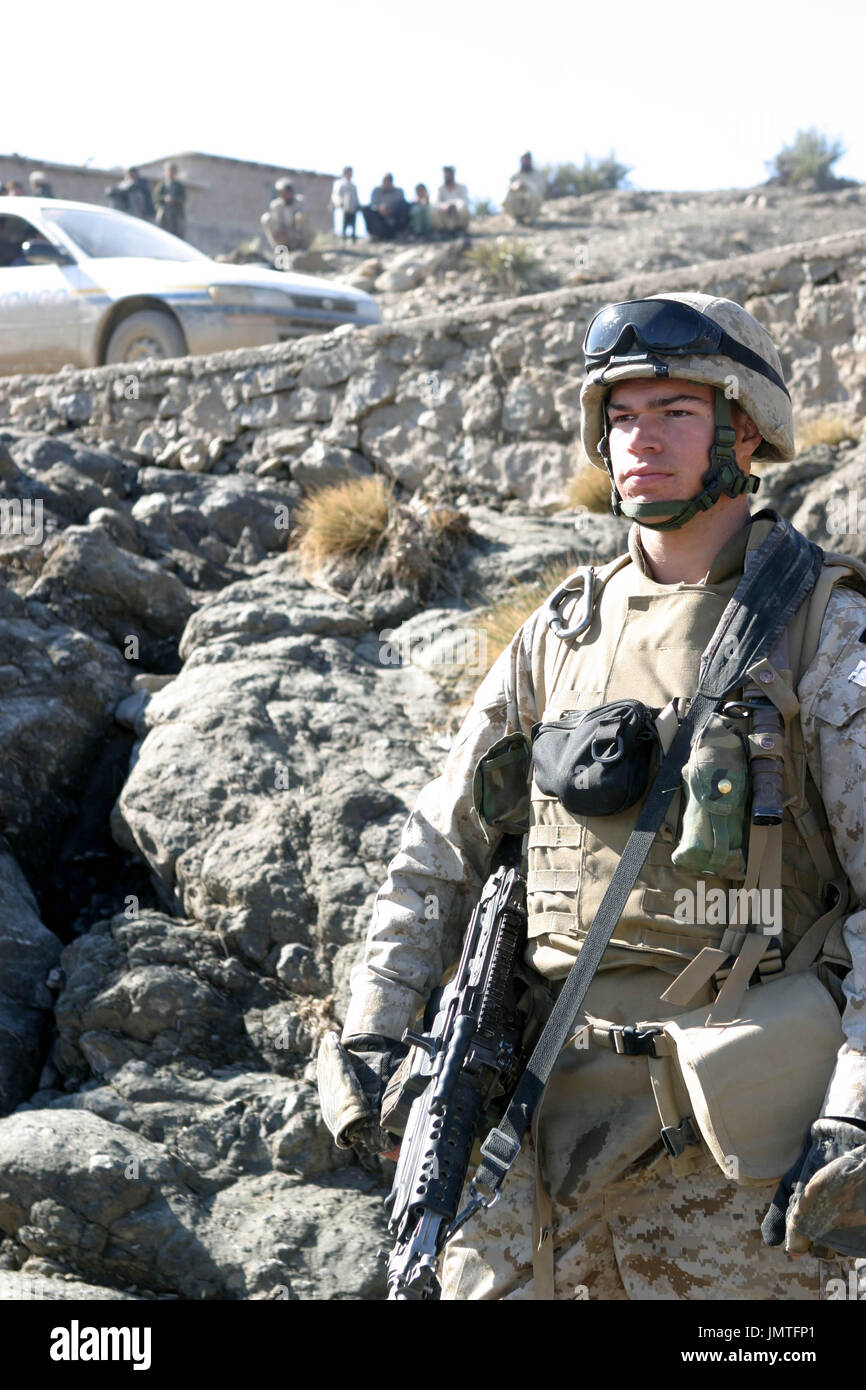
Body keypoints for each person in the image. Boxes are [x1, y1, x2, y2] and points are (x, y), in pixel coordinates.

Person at [322, 291, 866, 1300]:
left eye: (671, 412)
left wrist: (850, 1108)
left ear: (740, 429)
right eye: (618, 416)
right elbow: (440, 845)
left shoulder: (821, 635)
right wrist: (372, 1024)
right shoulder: (559, 634)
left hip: (726, 1166)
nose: (637, 441)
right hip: (527, 1129)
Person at [261, 178, 310, 256]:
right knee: (266, 218)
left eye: (288, 191)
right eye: (283, 192)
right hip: (284, 237)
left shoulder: (300, 201)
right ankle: (279, 249)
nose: (286, 194)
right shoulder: (276, 206)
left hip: (297, 237)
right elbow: (277, 223)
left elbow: (303, 219)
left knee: (301, 217)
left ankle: (303, 249)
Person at [360, 173, 410, 241]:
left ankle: (401, 232)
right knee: (366, 209)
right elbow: (373, 204)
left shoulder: (399, 191)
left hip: (394, 220)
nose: (387, 184)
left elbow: (403, 205)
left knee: (404, 205)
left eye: (389, 181)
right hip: (380, 220)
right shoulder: (376, 191)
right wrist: (379, 209)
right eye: (385, 181)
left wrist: (391, 210)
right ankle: (374, 234)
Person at [503, 150, 546, 224]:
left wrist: (526, 186)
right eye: (524, 159)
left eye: (528, 159)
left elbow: (541, 189)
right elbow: (507, 186)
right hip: (518, 203)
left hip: (532, 204)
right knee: (508, 194)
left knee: (534, 191)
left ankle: (533, 218)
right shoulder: (514, 175)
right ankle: (516, 217)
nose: (526, 161)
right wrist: (514, 186)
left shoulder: (538, 174)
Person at [430, 165, 470, 235]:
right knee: (432, 209)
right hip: (444, 217)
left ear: (453, 175)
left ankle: (460, 229)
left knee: (463, 206)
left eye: (448, 174)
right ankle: (441, 231)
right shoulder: (439, 189)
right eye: (445, 174)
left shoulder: (462, 187)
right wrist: (444, 206)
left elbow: (465, 201)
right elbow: (434, 202)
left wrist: (453, 205)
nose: (446, 176)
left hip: (457, 217)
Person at [154, 162, 186, 239]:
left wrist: (174, 199)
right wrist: (164, 199)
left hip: (176, 215)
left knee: (176, 236)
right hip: (163, 214)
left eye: (173, 171)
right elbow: (156, 197)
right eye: (169, 171)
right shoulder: (161, 185)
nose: (170, 173)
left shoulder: (179, 185)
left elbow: (183, 198)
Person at [332, 165, 359, 241]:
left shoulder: (353, 186)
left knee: (353, 225)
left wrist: (357, 205)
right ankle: (343, 239)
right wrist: (339, 203)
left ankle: (353, 239)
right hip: (344, 208)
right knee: (344, 225)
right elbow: (336, 195)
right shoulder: (340, 184)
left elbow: (356, 197)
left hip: (353, 208)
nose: (350, 175)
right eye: (348, 173)